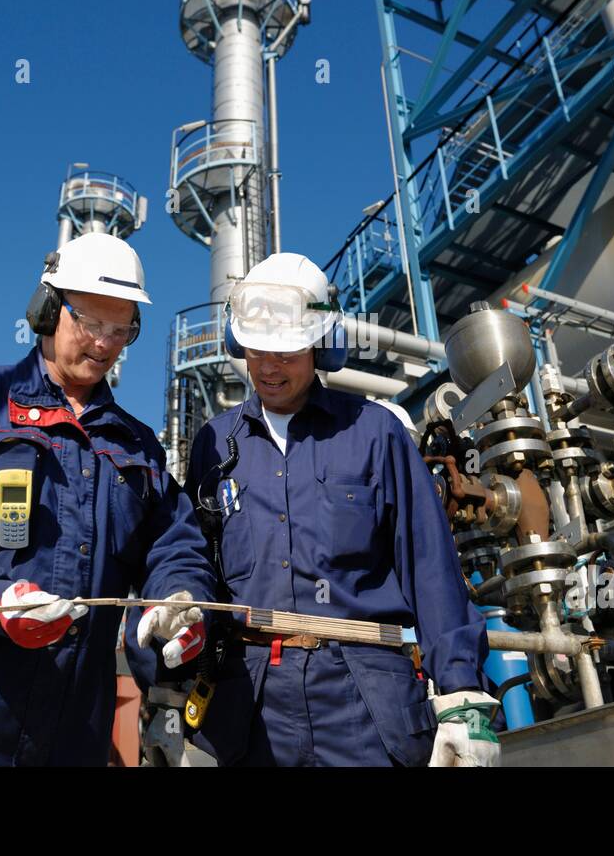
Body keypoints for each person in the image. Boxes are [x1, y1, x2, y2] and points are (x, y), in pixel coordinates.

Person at [0, 232, 215, 766]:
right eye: (90, 323)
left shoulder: (138, 447)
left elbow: (173, 546)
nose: (105, 344)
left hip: (72, 731)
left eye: (122, 329)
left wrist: (178, 599)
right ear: (47, 309)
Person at [180, 252, 501, 767]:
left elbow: (429, 566)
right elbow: (191, 560)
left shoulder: (375, 433)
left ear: (321, 344)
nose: (268, 367)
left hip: (364, 704)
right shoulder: (214, 444)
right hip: (252, 708)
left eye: (286, 352)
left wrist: (462, 693)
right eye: (257, 350)